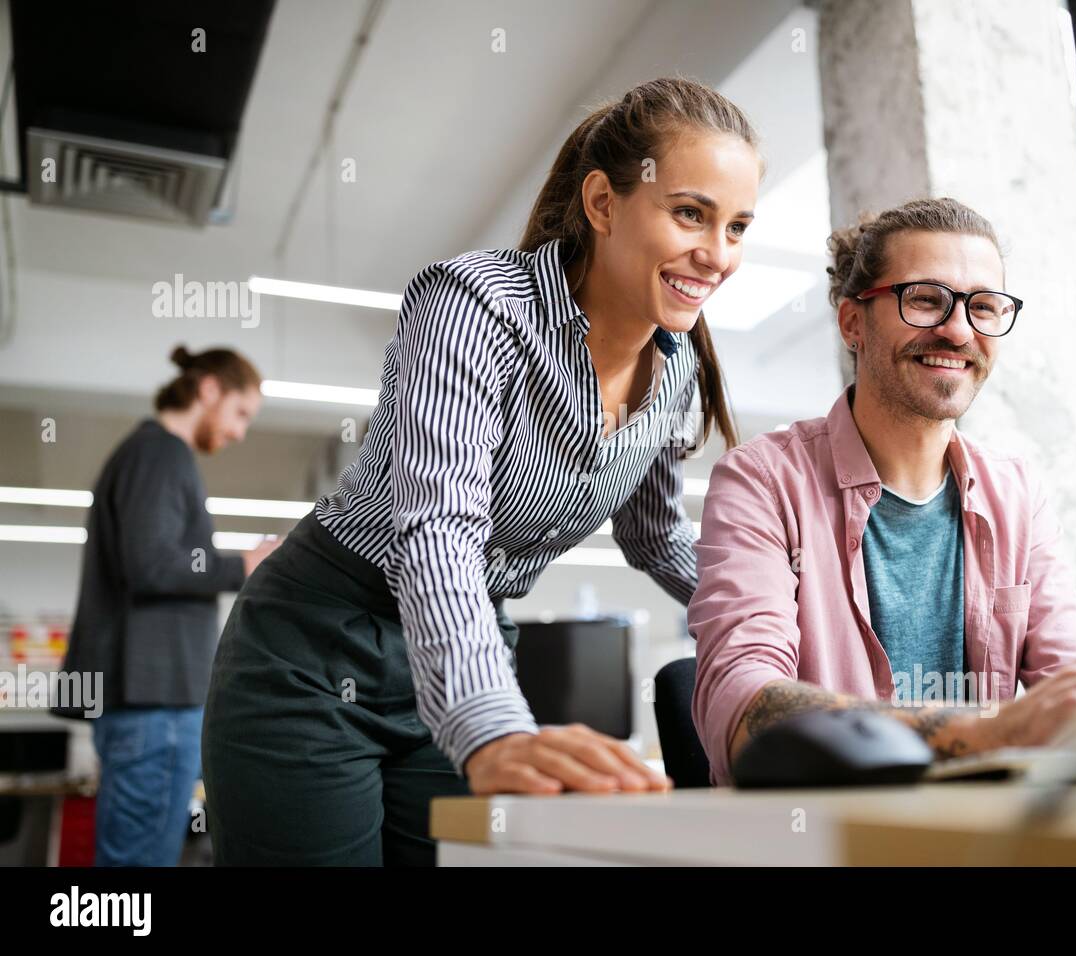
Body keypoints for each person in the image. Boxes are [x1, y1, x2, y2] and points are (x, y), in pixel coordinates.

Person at [201, 76, 762, 865]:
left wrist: (787, 627)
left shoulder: (676, 373)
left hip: (472, 638)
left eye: (738, 226)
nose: (719, 253)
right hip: (318, 643)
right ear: (603, 203)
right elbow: (438, 528)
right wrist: (491, 727)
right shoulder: (476, 306)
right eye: (690, 213)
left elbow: (656, 538)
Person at [689, 198, 1076, 785]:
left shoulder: (1015, 492)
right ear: (853, 322)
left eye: (984, 307)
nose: (958, 331)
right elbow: (745, 712)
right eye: (925, 300)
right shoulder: (762, 479)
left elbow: (1075, 686)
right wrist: (997, 728)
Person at [57, 345, 276, 865]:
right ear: (208, 390)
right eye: (240, 413)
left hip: (148, 704)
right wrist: (241, 565)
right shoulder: (160, 454)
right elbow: (151, 563)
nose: (240, 432)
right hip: (154, 704)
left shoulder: (148, 454)